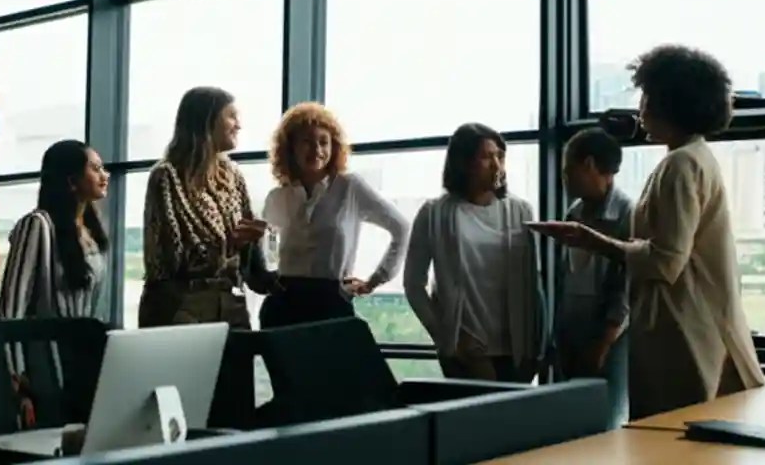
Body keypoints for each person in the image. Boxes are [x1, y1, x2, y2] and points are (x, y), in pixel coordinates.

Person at [531, 44, 765, 419]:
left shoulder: (681, 165)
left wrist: (596, 242)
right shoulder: (694, 157)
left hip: (684, 334)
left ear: (668, 104)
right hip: (691, 327)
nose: (640, 109)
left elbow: (667, 261)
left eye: (647, 97)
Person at [403, 123, 548, 382]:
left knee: (514, 419)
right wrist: (446, 335)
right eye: (486, 157)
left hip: (518, 345)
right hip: (466, 345)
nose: (496, 165)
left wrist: (538, 345)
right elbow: (413, 284)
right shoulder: (435, 213)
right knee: (478, 419)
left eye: (500, 156)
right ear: (464, 163)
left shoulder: (520, 211)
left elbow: (534, 283)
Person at [258, 102, 410, 328]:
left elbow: (402, 228)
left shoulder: (350, 187)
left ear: (334, 146)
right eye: (307, 142)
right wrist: (270, 274)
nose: (317, 150)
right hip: (283, 303)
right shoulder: (277, 197)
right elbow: (269, 251)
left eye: (323, 142)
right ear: (291, 148)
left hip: (332, 302)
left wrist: (376, 280)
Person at [138, 86, 279, 328]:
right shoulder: (167, 176)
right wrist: (229, 245)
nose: (239, 125)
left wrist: (256, 242)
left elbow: (252, 267)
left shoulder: (233, 175)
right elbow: (166, 261)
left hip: (230, 306)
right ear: (206, 121)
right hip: (182, 309)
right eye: (231, 116)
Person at [554, 126, 632, 428]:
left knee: (605, 424)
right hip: (571, 332)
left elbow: (625, 288)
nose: (564, 178)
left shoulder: (627, 213)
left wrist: (604, 342)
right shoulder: (574, 212)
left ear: (588, 165)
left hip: (607, 339)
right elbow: (565, 278)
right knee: (571, 426)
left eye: (567, 170)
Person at [0, 140, 110, 320]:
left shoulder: (91, 232)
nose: (105, 176)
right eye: (95, 169)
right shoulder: (37, 224)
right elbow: (12, 305)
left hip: (79, 344)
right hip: (43, 345)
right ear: (72, 180)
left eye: (103, 168)